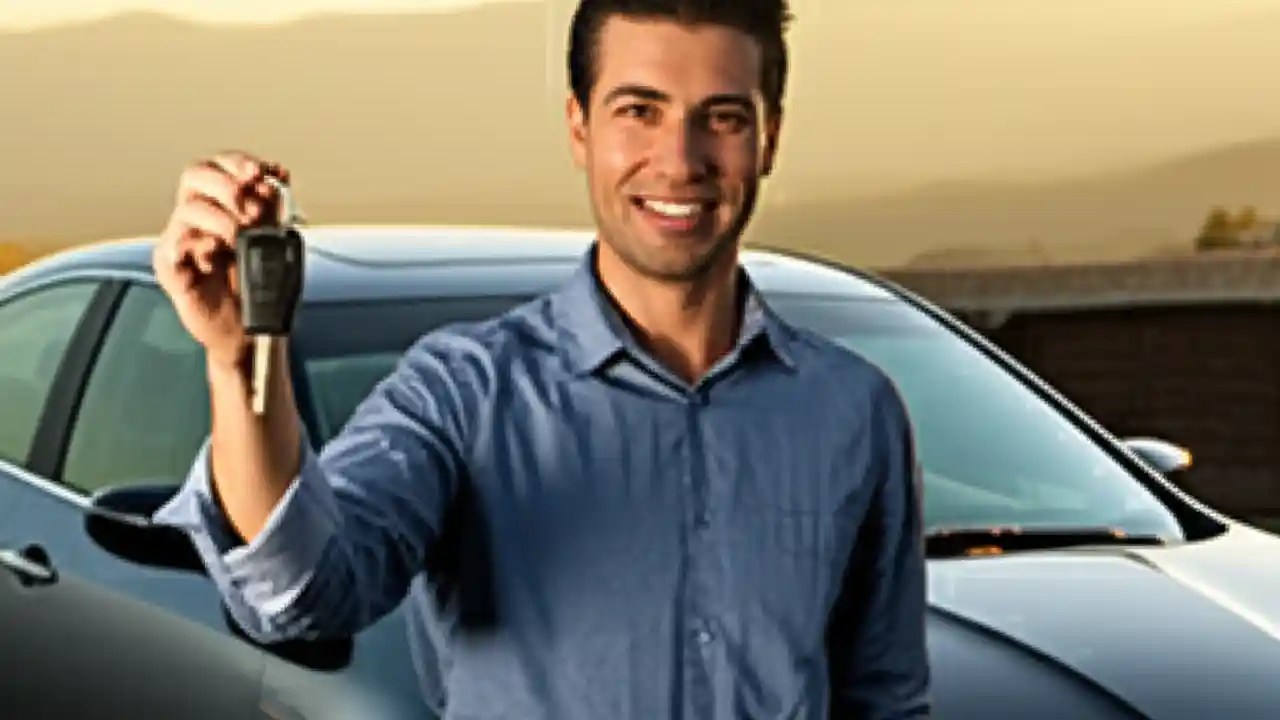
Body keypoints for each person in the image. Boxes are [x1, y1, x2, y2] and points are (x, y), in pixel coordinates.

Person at [151, 0, 931, 717]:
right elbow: (301, 592)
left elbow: (885, 701)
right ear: (578, 127)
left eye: (721, 117)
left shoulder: (853, 410)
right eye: (639, 111)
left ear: (770, 139)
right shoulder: (463, 395)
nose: (680, 159)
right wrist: (239, 361)